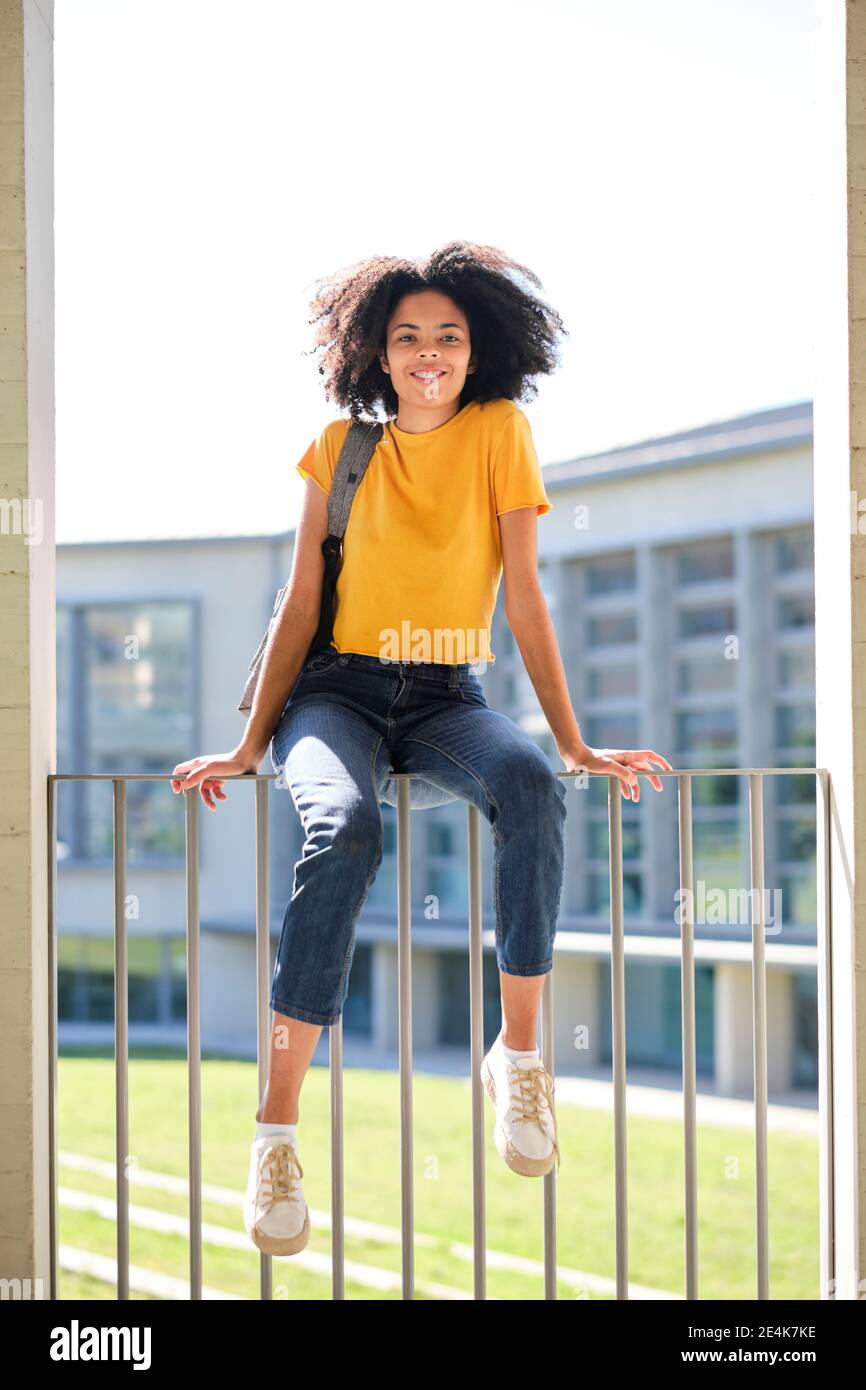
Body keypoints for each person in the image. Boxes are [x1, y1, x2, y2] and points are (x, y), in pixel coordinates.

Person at [170, 242, 672, 1258]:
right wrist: (248, 744)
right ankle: (275, 1134)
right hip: (335, 693)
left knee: (528, 780)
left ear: (476, 349)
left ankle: (516, 1059)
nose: (428, 352)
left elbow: (523, 595)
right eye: (407, 337)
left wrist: (572, 742)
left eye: (447, 335)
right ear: (377, 352)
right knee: (345, 829)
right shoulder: (337, 449)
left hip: (447, 694)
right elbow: (300, 605)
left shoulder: (500, 431)